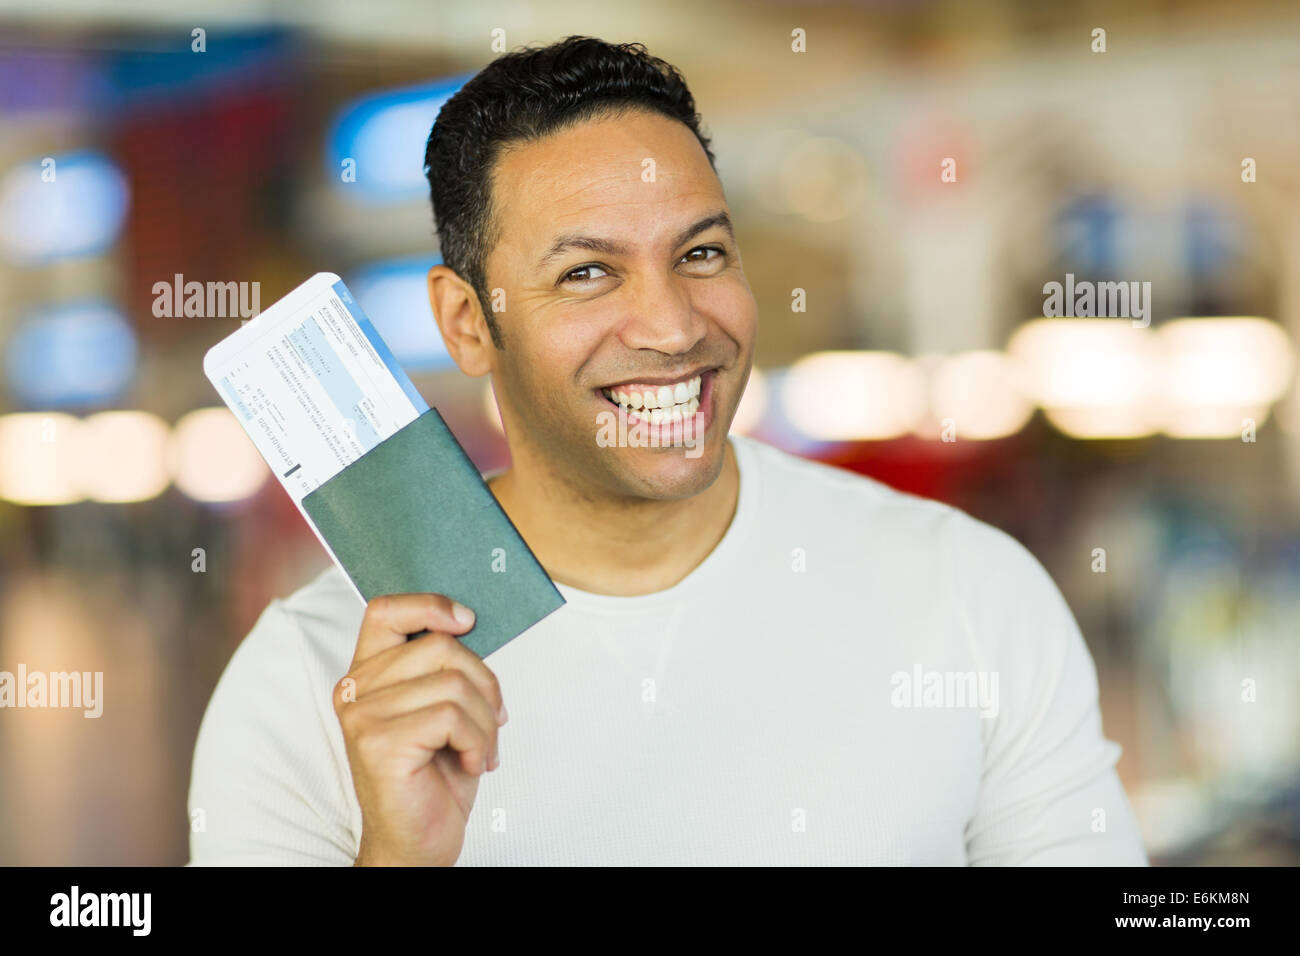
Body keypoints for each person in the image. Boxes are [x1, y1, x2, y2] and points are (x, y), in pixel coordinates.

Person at [187, 35, 1148, 866]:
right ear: (467, 321)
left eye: (700, 254)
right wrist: (399, 856)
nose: (672, 325)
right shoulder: (312, 685)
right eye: (588, 272)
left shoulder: (972, 595)